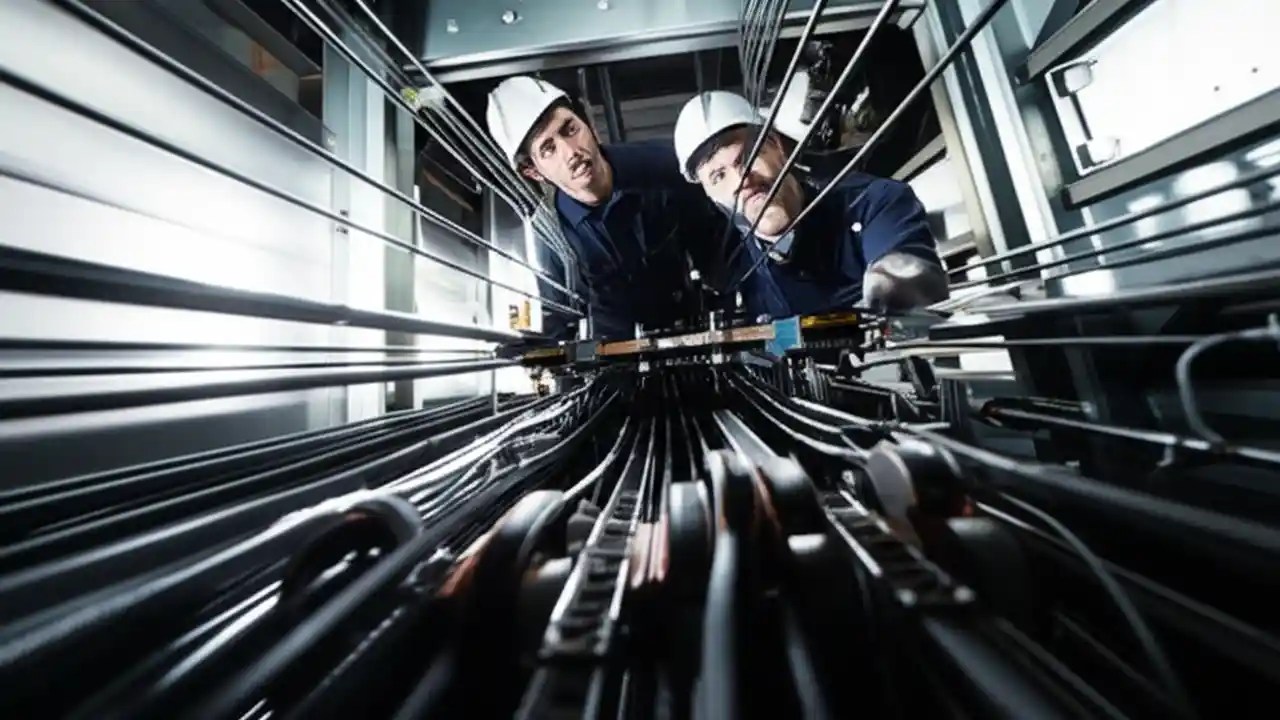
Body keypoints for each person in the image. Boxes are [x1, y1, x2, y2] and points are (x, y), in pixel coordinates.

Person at [485, 76, 737, 340]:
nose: (571, 152)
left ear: (588, 124)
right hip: (615, 362)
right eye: (549, 149)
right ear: (533, 171)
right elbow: (561, 321)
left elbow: (723, 255)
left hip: (692, 333)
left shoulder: (665, 166)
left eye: (570, 129)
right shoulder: (550, 235)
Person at [671, 90, 949, 319]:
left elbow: (909, 276)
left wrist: (897, 286)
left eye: (747, 157)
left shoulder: (870, 202)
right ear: (710, 195)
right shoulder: (734, 265)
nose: (742, 180)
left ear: (776, 146)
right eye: (718, 176)